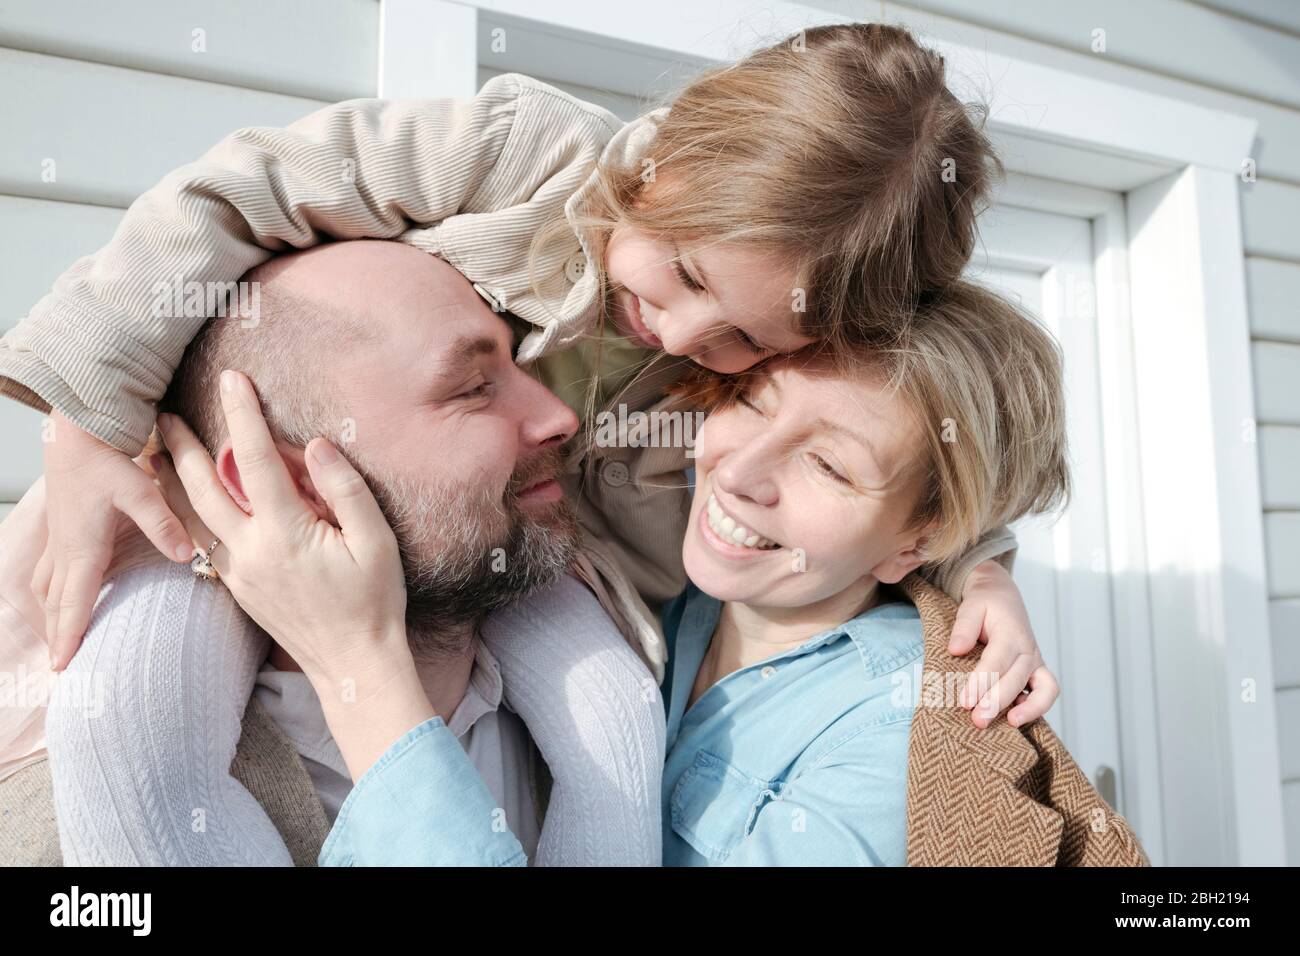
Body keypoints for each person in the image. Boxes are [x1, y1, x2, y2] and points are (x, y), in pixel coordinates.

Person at [2, 25, 1053, 735]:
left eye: (738, 335)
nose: (680, 329)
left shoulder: (799, 336)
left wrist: (982, 572)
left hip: (538, 577)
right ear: (671, 159)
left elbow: (909, 447)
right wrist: (87, 417)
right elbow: (241, 191)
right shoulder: (524, 151)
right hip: (288, 483)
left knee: (604, 726)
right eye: (682, 270)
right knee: (109, 644)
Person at [157, 279, 1148, 865]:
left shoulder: (899, 738)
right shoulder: (671, 592)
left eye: (831, 464)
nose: (742, 472)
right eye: (753, 401)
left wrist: (355, 664)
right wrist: (89, 421)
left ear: (914, 541)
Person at [0, 241, 665, 866]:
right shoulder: (72, 832)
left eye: (518, 364)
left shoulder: (652, 700)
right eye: (472, 387)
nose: (558, 415)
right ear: (294, 485)